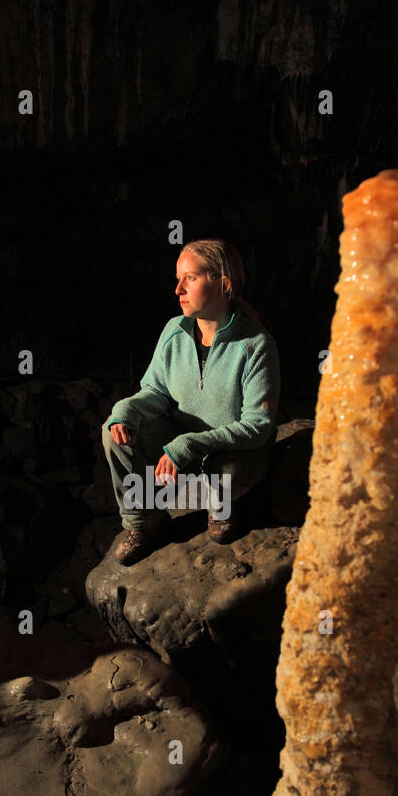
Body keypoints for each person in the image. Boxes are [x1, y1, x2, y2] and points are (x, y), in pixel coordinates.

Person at [101, 239, 281, 565]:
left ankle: (221, 507)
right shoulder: (174, 331)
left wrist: (188, 446)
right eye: (178, 278)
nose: (178, 289)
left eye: (190, 278)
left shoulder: (256, 345)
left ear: (223, 285)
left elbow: (258, 426)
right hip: (181, 444)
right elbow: (154, 392)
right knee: (113, 432)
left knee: (227, 469)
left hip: (230, 451)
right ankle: (145, 520)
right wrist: (124, 412)